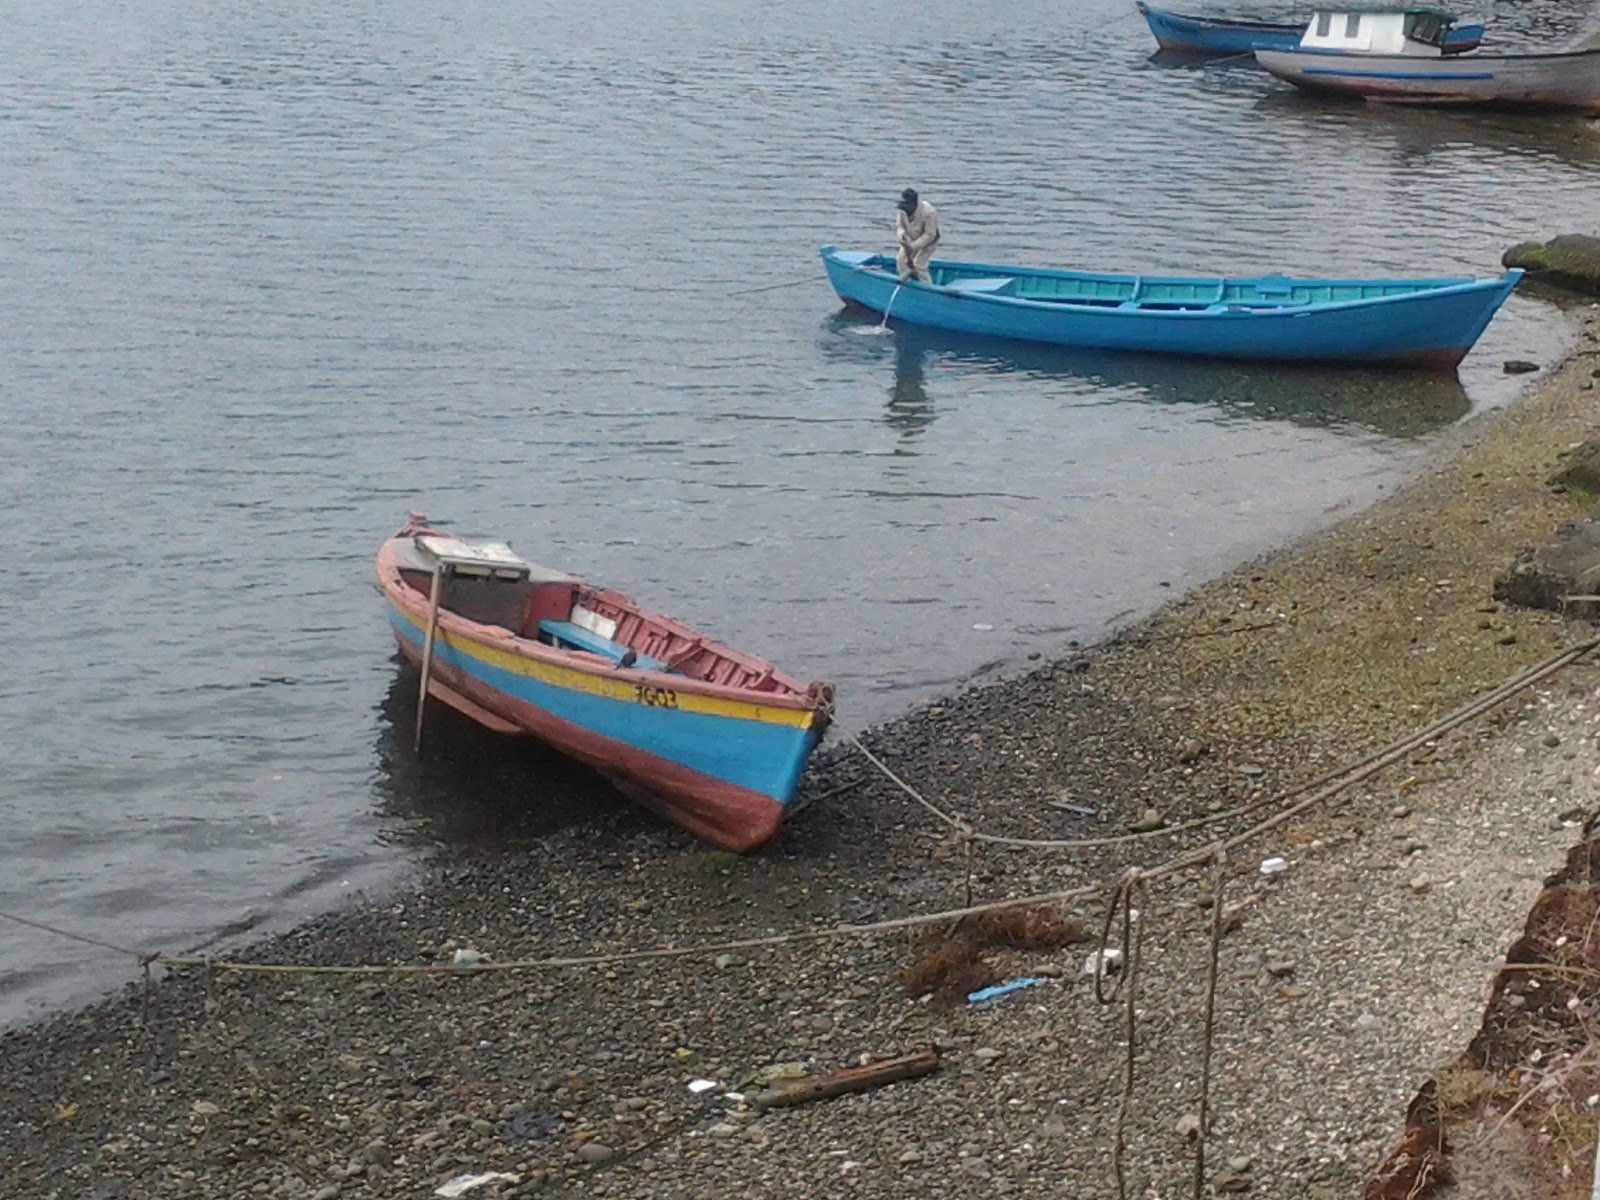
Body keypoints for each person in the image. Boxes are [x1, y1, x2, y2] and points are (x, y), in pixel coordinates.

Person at [895, 188, 940, 284]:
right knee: (901, 260)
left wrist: (913, 246)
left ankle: (927, 286)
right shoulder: (902, 211)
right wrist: (901, 235)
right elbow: (900, 226)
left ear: (914, 204)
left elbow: (929, 235)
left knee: (918, 264)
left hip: (929, 241)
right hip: (910, 239)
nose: (905, 210)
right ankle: (908, 281)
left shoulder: (929, 212)